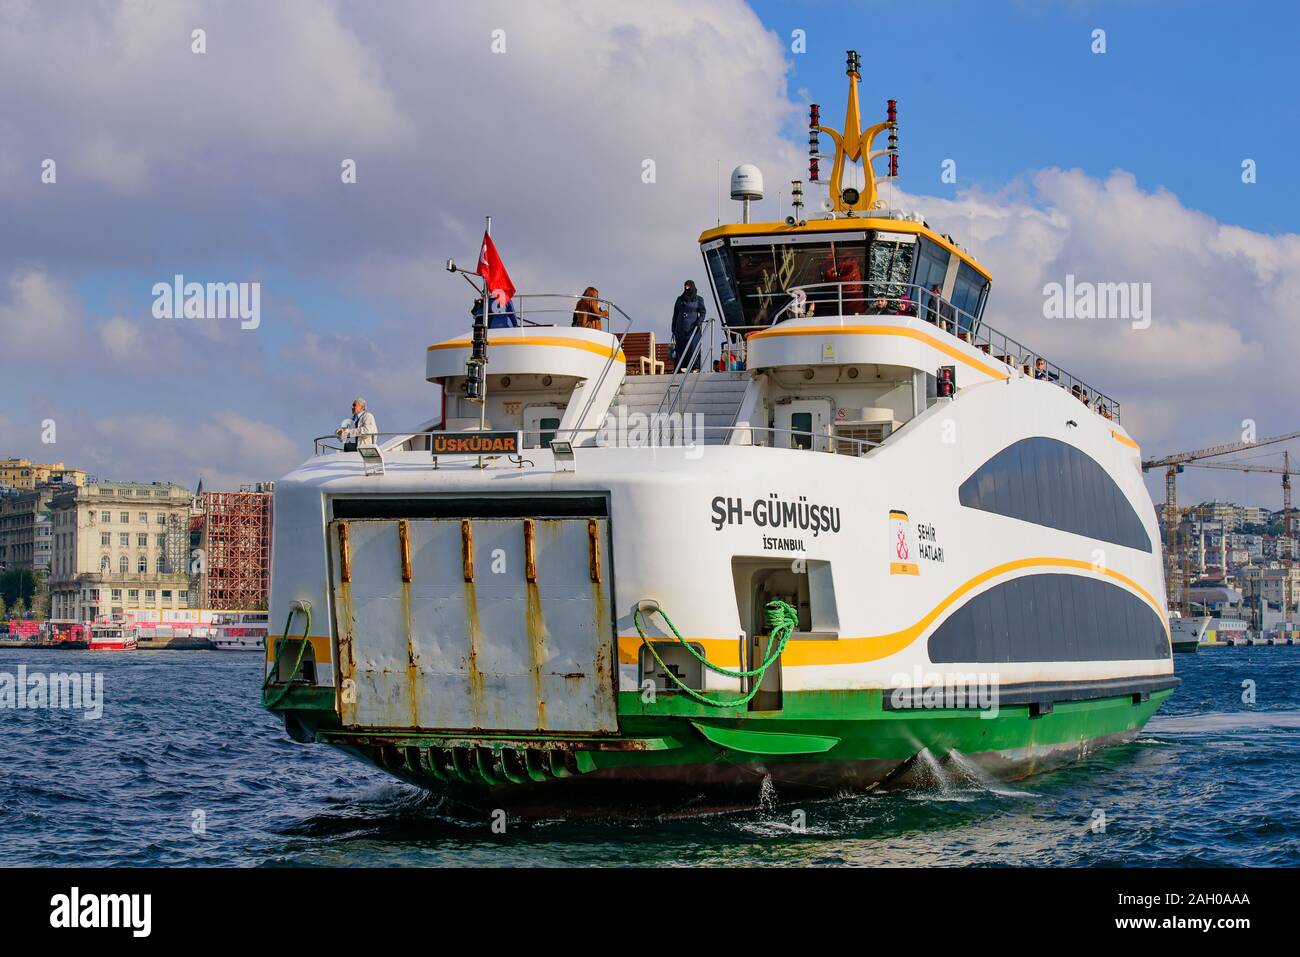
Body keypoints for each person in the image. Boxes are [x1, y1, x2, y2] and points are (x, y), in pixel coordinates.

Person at [670, 280, 707, 370]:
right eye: (685, 286)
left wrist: (699, 322)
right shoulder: (680, 299)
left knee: (692, 348)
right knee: (680, 349)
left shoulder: (699, 299)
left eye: (688, 286)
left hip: (693, 329)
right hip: (680, 329)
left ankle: (694, 368)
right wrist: (673, 329)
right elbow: (675, 314)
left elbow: (703, 312)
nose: (687, 288)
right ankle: (680, 368)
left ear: (692, 286)